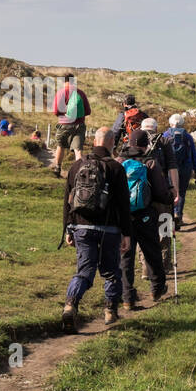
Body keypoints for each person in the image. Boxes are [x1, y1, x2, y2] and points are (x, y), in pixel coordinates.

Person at [62, 126, 131, 330]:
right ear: (112, 143)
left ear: (94, 142)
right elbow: (123, 204)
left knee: (84, 271)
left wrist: (68, 228)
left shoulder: (76, 166)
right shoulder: (116, 168)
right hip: (109, 229)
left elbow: (67, 201)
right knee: (110, 271)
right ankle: (110, 311)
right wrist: (127, 233)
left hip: (81, 227)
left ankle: (70, 305)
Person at [118, 131, 172, 310]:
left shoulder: (118, 162)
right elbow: (161, 192)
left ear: (129, 143)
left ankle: (127, 298)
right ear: (145, 144)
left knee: (126, 255)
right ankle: (156, 288)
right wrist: (169, 198)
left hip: (122, 216)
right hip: (145, 215)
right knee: (152, 251)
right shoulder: (150, 163)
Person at [163, 113, 196, 230]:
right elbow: (194, 155)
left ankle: (171, 217)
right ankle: (178, 215)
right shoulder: (187, 137)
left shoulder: (166, 135)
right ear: (182, 123)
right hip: (186, 167)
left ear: (170, 123)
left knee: (171, 192)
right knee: (182, 192)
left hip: (170, 168)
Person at [51, 79, 91, 179]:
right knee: (78, 150)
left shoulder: (61, 92)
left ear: (65, 82)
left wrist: (64, 114)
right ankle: (79, 172)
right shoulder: (81, 93)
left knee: (60, 146)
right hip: (79, 125)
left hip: (64, 124)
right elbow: (88, 111)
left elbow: (56, 111)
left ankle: (57, 168)